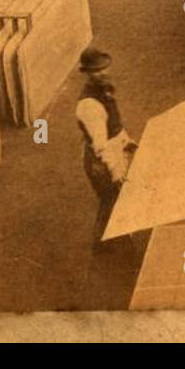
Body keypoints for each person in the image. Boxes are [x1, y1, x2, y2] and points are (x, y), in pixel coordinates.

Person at [74, 47, 137, 247]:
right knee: (110, 200)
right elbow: (101, 145)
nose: (102, 72)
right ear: (87, 73)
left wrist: (126, 140)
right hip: (101, 160)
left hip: (113, 149)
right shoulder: (90, 106)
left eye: (103, 68)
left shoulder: (104, 89)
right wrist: (114, 170)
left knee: (113, 199)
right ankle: (102, 242)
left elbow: (115, 124)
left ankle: (113, 236)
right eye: (96, 70)